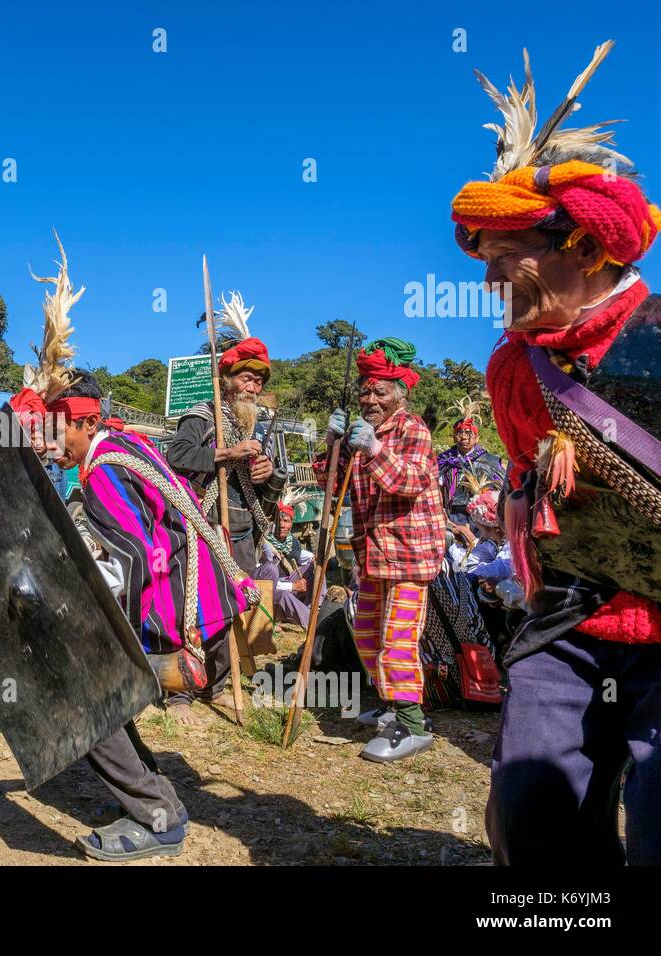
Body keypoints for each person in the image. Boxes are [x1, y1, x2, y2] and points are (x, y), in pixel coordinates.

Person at [449, 45, 661, 864]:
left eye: (510, 264)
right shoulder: (512, 369)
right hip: (571, 613)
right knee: (531, 815)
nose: (493, 284)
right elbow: (525, 482)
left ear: (586, 249)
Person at [25, 372, 253, 860]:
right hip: (209, 613)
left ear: (86, 423)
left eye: (57, 431)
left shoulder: (104, 470)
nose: (49, 443)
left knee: (81, 690)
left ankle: (157, 816)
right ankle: (156, 799)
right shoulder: (127, 447)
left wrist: (103, 634)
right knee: (100, 682)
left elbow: (134, 558)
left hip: (182, 624)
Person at [318, 338, 447, 762]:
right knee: (369, 635)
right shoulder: (358, 431)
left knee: (397, 638)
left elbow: (410, 481)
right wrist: (333, 442)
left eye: (380, 391)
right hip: (372, 555)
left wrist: (373, 448)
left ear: (399, 394)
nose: (370, 399)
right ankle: (391, 705)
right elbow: (331, 484)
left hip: (409, 554)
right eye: (365, 391)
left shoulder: (413, 430)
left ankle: (413, 725)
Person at [163, 334, 283, 722]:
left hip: (244, 531)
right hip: (205, 523)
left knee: (230, 609)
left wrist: (267, 475)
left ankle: (217, 685)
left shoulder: (258, 427)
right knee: (193, 608)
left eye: (258, 381)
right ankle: (180, 691)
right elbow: (176, 457)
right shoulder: (202, 415)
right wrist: (227, 453)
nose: (253, 387)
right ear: (227, 378)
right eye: (245, 378)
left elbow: (272, 481)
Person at [436, 398, 505, 525]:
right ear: (453, 437)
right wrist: (441, 512)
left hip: (482, 515)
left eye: (468, 433)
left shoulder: (490, 461)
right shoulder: (444, 460)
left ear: (477, 437)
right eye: (458, 433)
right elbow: (438, 489)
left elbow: (501, 490)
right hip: (451, 516)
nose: (463, 437)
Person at [256, 498, 315, 628]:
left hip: (287, 581)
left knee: (315, 566)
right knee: (284, 594)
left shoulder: (291, 542)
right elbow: (265, 584)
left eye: (286, 521)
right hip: (271, 591)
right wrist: (293, 586)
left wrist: (314, 559)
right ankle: (312, 622)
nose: (282, 525)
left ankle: (315, 608)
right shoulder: (262, 544)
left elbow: (302, 556)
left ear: (292, 524)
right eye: (278, 521)